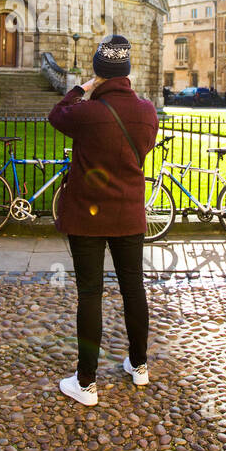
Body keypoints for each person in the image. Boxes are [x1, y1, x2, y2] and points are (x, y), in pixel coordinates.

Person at [47, 35, 159, 407]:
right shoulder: (146, 111)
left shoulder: (86, 111)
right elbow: (142, 149)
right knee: (134, 290)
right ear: (126, 72)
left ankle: (86, 383)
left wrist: (81, 88)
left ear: (99, 72)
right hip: (128, 213)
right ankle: (139, 366)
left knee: (90, 295)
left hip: (88, 217)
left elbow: (56, 114)